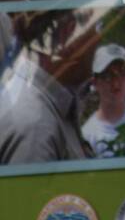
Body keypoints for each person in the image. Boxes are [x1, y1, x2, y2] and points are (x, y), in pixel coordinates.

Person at [0, 10, 98, 164]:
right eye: (95, 27)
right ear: (70, 32)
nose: (98, 38)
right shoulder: (36, 128)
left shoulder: (38, 106)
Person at [81, 43, 125, 156]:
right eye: (107, 76)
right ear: (95, 82)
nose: (116, 83)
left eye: (122, 73)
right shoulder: (88, 135)